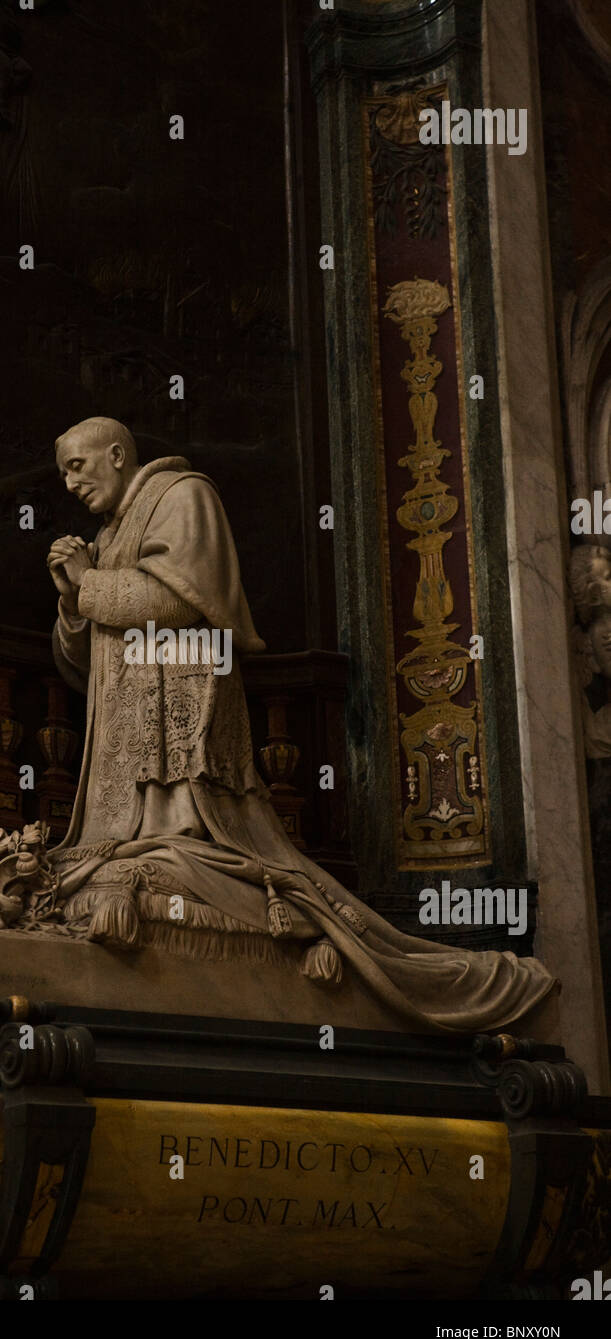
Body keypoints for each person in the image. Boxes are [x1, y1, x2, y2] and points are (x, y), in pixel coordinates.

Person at [46, 417, 557, 1032]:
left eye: (77, 467)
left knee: (162, 861)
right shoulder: (105, 537)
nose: (70, 484)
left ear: (117, 453)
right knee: (85, 870)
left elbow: (182, 600)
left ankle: (193, 842)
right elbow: (83, 665)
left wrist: (89, 585)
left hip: (183, 739)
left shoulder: (181, 495)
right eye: (63, 474)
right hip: (123, 747)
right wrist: (71, 600)